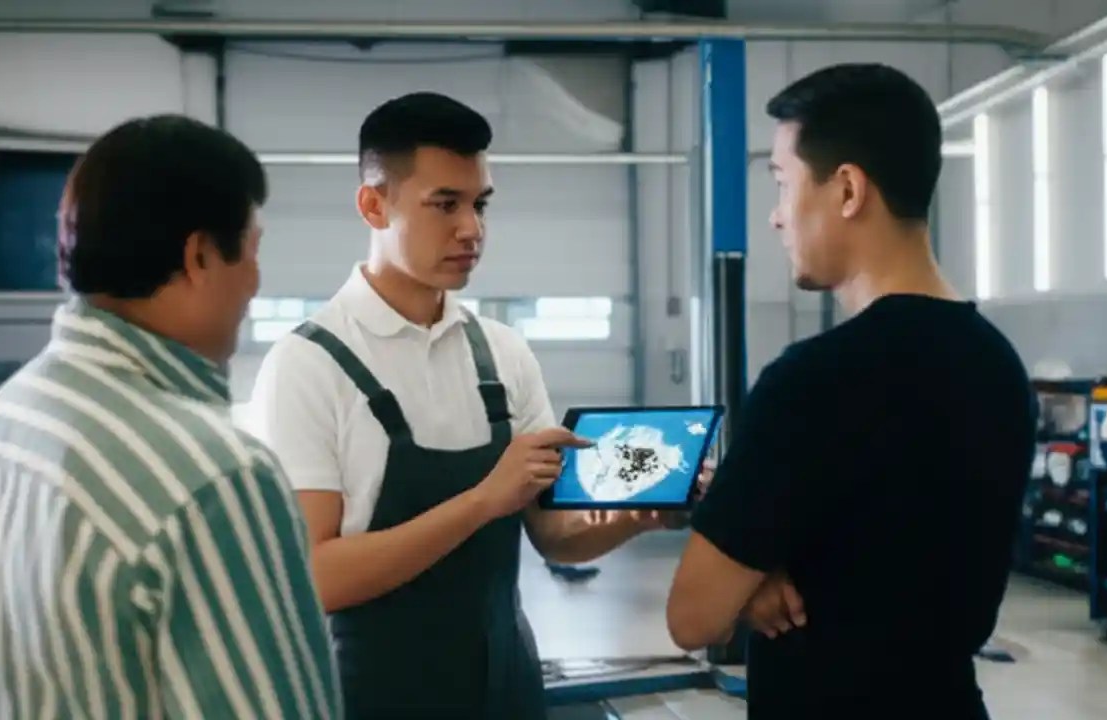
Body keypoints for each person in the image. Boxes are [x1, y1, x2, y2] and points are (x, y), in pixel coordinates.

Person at [242, 91, 703, 720]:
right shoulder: (308, 365)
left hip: (506, 691)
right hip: (372, 699)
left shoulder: (502, 354)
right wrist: (484, 500)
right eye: (445, 205)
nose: (472, 229)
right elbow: (318, 576)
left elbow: (555, 537)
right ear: (373, 205)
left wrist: (639, 513)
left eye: (480, 204)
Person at [665, 64, 1037, 719]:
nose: (778, 218)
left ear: (846, 190)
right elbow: (887, 537)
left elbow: (693, 617)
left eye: (782, 184)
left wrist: (746, 577)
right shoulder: (1000, 366)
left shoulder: (811, 380)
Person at [0, 115, 342, 720]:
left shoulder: (9, 418)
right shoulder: (218, 477)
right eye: (252, 250)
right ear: (199, 255)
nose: (255, 283)